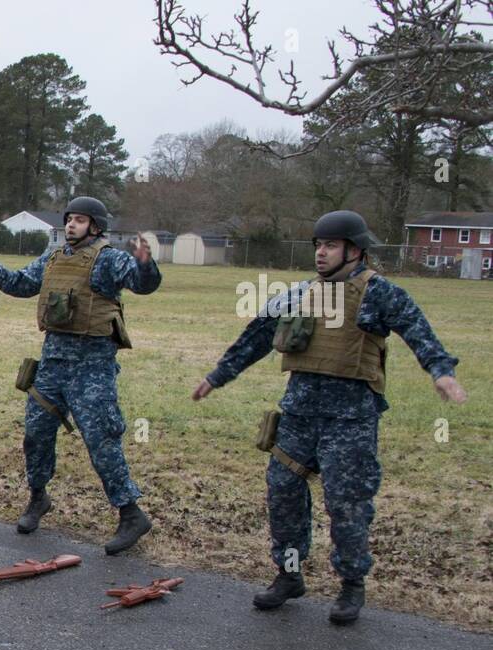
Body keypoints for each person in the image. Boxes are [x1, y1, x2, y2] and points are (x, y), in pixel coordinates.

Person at [192, 210, 467, 624]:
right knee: (282, 492)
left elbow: (418, 330)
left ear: (355, 251)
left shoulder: (378, 294)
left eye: (331, 245)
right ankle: (288, 574)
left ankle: (351, 584)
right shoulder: (299, 293)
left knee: (346, 503)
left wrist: (441, 373)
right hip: (300, 415)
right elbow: (255, 338)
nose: (321, 253)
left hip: (350, 421)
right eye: (318, 245)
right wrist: (217, 377)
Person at [0, 196, 161, 553]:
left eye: (80, 220)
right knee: (36, 434)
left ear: (96, 226)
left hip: (92, 368)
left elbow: (142, 283)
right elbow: (21, 284)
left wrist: (146, 264)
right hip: (53, 363)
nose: (71, 225)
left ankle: (131, 514)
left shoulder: (108, 259)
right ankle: (38, 497)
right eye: (69, 219)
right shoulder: (53, 258)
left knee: (101, 439)